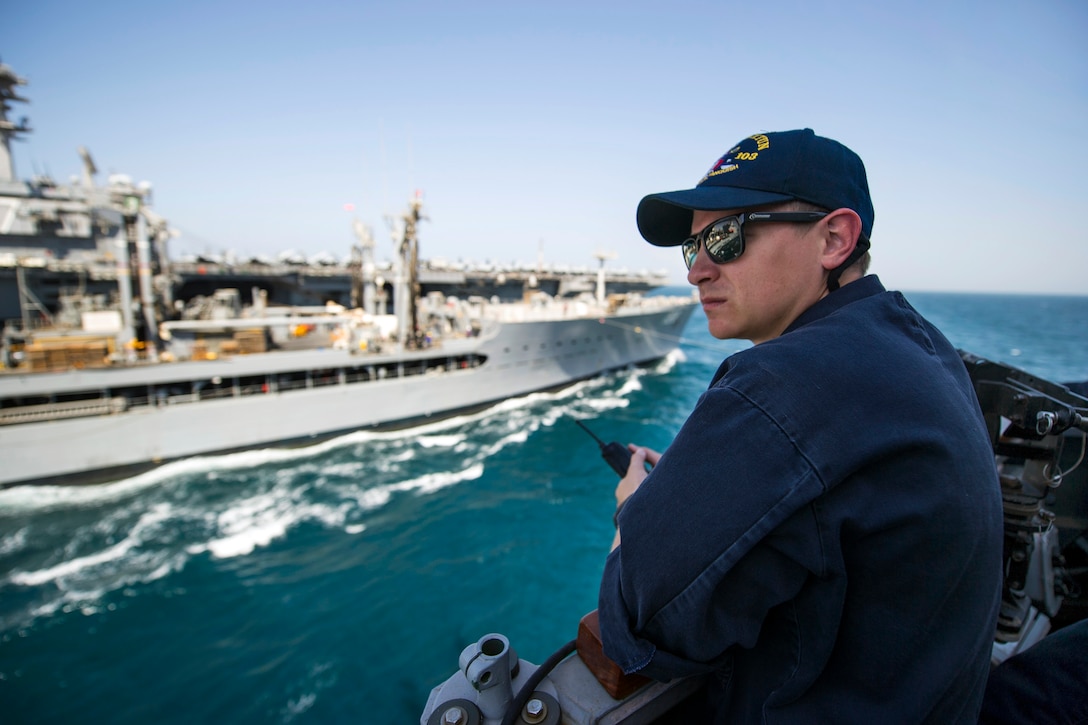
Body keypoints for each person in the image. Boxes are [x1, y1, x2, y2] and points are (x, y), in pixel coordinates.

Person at [596, 129, 1004, 723]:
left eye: (726, 237)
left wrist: (632, 509)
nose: (697, 271)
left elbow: (636, 622)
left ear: (835, 238)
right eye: (692, 248)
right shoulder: (921, 342)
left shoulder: (778, 384)